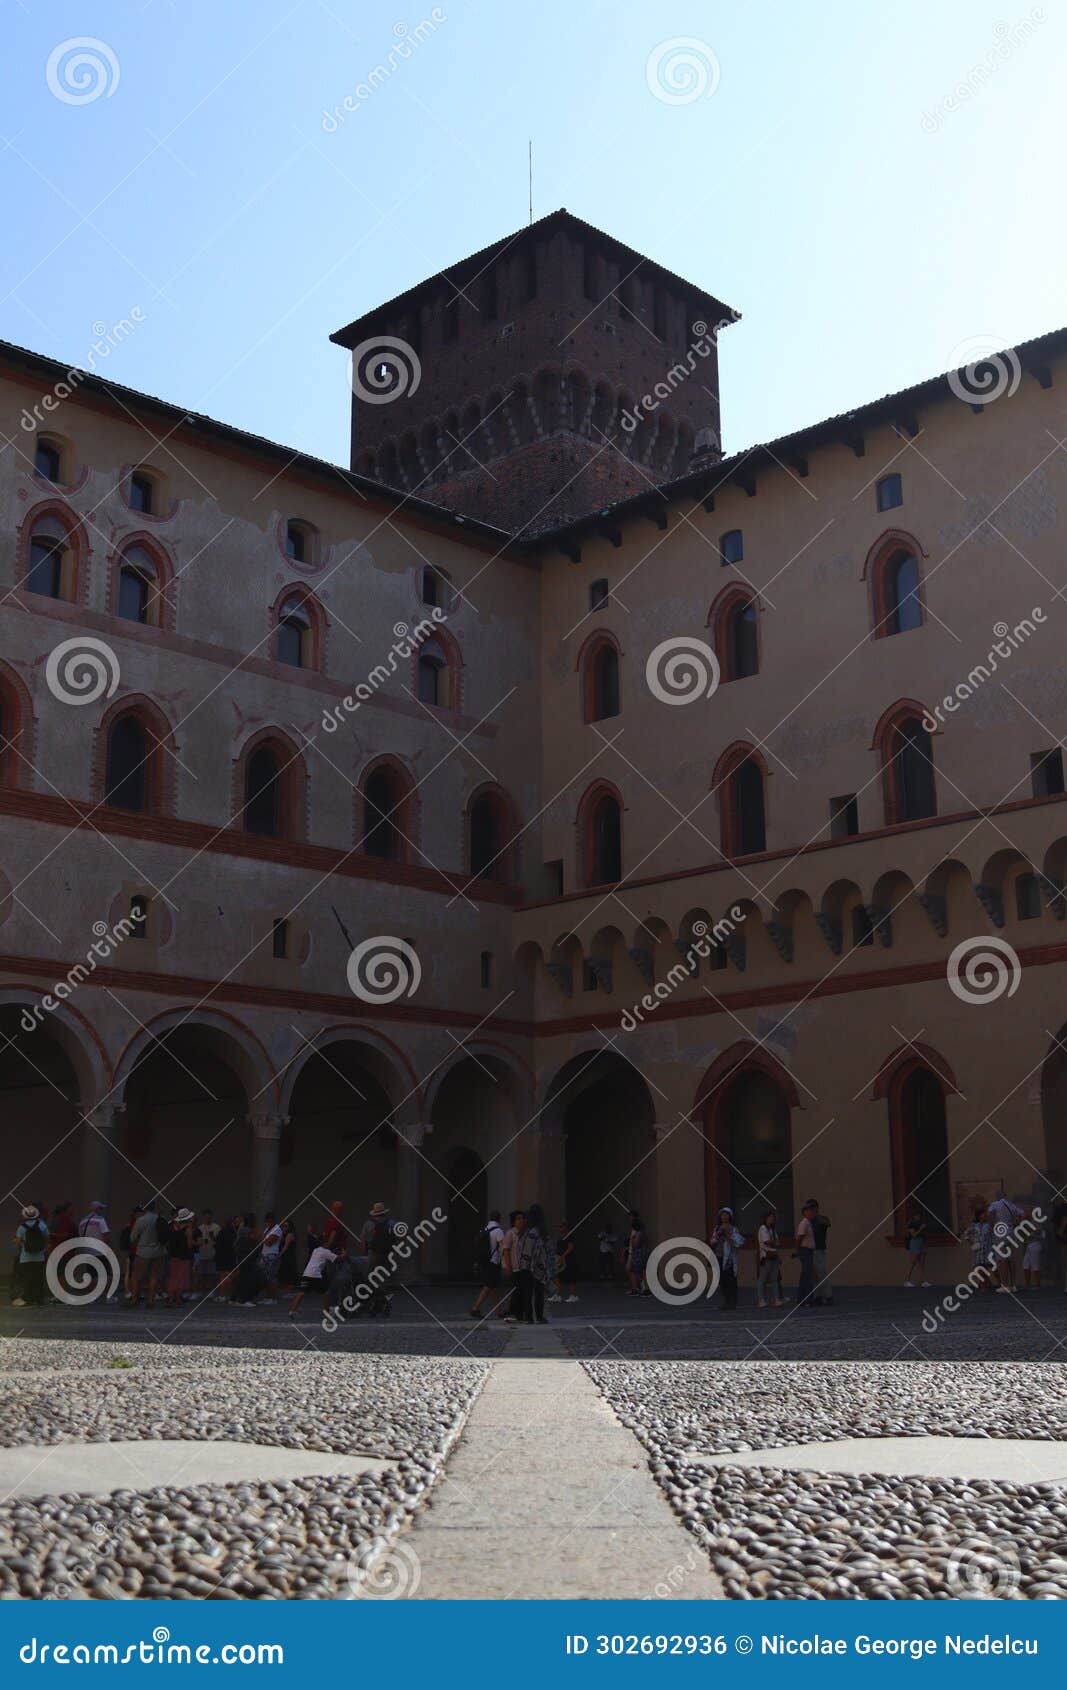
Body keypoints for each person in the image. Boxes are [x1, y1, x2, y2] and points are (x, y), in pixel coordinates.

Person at [515, 1203, 551, 1324]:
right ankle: (540, 1317)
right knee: (539, 1291)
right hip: (539, 1266)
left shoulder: (526, 1230)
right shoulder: (543, 1231)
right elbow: (548, 1249)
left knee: (527, 1292)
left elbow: (521, 1248)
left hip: (525, 1265)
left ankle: (529, 1317)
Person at [289, 1233, 337, 1318]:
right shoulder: (326, 1251)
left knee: (301, 1293)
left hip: (306, 1273)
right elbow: (337, 1259)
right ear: (325, 1243)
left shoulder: (315, 1250)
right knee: (326, 1293)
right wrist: (344, 1255)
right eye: (328, 1242)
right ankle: (327, 1312)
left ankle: (292, 1311)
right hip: (316, 1275)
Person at [130, 1201, 167, 1308]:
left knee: (136, 1277)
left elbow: (132, 1238)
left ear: (144, 1208)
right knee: (154, 1277)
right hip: (159, 1252)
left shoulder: (141, 1220)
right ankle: (151, 1301)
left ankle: (134, 1300)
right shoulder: (161, 1219)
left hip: (143, 1252)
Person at [470, 1209, 505, 1320]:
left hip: (485, 1261)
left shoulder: (485, 1229)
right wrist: (505, 1264)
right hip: (494, 1262)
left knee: (493, 1287)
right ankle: (475, 1308)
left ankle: (499, 1311)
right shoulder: (499, 1231)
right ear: (499, 1218)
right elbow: (502, 1248)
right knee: (489, 1286)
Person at [987, 1192, 1024, 1292]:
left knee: (1002, 1259)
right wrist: (1016, 1224)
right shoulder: (1012, 1205)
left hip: (1000, 1232)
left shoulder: (995, 1204)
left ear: (997, 1197)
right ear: (1006, 1196)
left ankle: (1004, 1285)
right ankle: (1013, 1285)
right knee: (1011, 1259)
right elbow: (1022, 1214)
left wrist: (994, 1225)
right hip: (1011, 1232)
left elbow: (989, 1214)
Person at [12, 1205, 49, 1307]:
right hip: (39, 1257)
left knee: (28, 1279)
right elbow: (47, 1238)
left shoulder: (22, 1227)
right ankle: (39, 1299)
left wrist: (19, 1242)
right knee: (39, 1278)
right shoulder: (42, 1225)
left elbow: (18, 1243)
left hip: (26, 1258)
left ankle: (28, 1299)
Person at [711, 1206, 744, 1310]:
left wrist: (726, 1235)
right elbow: (713, 1240)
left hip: (729, 1258)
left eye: (726, 1215)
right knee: (722, 1280)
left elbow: (737, 1243)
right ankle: (726, 1301)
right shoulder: (717, 1228)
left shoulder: (734, 1229)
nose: (724, 1217)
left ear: (730, 1217)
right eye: (722, 1215)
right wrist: (714, 1239)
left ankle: (732, 1302)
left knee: (731, 1280)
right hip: (719, 1256)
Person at [165, 1208, 196, 1306]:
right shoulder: (188, 1229)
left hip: (173, 1255)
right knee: (181, 1278)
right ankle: (178, 1299)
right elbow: (189, 1244)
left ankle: (170, 1299)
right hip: (183, 1256)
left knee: (173, 1278)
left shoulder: (172, 1226)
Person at [500, 1210, 526, 1321]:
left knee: (521, 1290)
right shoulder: (510, 1233)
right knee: (518, 1290)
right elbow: (506, 1250)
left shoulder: (525, 1233)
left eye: (522, 1218)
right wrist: (508, 1266)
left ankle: (517, 1311)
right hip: (514, 1267)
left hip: (523, 1267)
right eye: (518, 1218)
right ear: (513, 1221)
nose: (521, 1221)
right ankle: (513, 1311)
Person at [756, 1207, 783, 1308]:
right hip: (766, 1256)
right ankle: (761, 1299)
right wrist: (775, 1243)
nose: (772, 1219)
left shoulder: (772, 1229)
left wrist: (775, 1243)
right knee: (762, 1279)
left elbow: (777, 1243)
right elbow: (767, 1241)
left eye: (773, 1217)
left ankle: (776, 1299)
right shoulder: (763, 1228)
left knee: (774, 1279)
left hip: (774, 1255)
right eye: (770, 1217)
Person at [233, 1213, 260, 1306]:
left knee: (242, 1278)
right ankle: (245, 1299)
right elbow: (255, 1238)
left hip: (242, 1257)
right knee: (248, 1278)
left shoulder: (241, 1229)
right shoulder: (247, 1230)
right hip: (247, 1257)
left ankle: (238, 1299)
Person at [810, 1199, 833, 1305]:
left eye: (813, 1207)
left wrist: (816, 1216)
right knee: (814, 1274)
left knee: (822, 1273)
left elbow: (828, 1223)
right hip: (811, 1250)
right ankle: (817, 1296)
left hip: (819, 1249)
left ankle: (828, 1296)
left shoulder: (821, 1219)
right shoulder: (808, 1220)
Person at [795, 1199, 818, 1306]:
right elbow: (799, 1238)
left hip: (808, 1250)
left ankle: (804, 1299)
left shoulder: (809, 1223)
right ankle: (806, 1299)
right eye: (810, 1211)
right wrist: (798, 1250)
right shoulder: (804, 1223)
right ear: (805, 1212)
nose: (813, 1213)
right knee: (806, 1276)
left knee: (806, 1275)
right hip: (805, 1250)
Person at [259, 1212, 283, 1305]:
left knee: (270, 1277)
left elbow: (269, 1242)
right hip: (264, 1254)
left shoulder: (277, 1229)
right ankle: (267, 1296)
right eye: (267, 1221)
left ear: (273, 1220)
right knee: (264, 1277)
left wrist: (263, 1238)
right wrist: (264, 1238)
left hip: (271, 1254)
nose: (267, 1223)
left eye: (269, 1221)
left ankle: (272, 1297)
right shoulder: (268, 1229)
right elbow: (264, 1239)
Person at [194, 1209, 220, 1296]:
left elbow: (219, 1242)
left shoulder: (216, 1227)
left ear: (211, 1218)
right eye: (205, 1218)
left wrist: (212, 1237)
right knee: (202, 1274)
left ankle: (213, 1290)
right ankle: (201, 1291)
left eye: (209, 1218)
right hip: (202, 1254)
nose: (207, 1219)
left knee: (213, 1275)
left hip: (212, 1253)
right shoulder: (200, 1228)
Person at [902, 1210, 929, 1288]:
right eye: (917, 1215)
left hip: (921, 1242)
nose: (918, 1217)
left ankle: (923, 1281)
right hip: (915, 1242)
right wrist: (920, 1228)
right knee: (913, 1263)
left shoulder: (920, 1223)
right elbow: (914, 1235)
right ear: (913, 1216)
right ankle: (907, 1281)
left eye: (919, 1215)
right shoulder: (911, 1224)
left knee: (921, 1263)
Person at [626, 1213, 650, 1297]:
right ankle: (645, 1289)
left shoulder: (638, 1233)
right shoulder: (644, 1232)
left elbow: (635, 1244)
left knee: (636, 1271)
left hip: (639, 1254)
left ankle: (643, 1289)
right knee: (643, 1271)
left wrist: (632, 1239)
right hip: (645, 1253)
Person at [214, 1213, 237, 1302]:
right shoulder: (232, 1232)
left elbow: (217, 1245)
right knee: (229, 1277)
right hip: (230, 1257)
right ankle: (229, 1295)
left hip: (222, 1257)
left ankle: (223, 1295)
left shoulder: (222, 1232)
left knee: (223, 1276)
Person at [277, 1219, 300, 1290]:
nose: (284, 1227)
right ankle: (287, 1287)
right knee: (285, 1272)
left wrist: (279, 1254)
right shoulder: (284, 1235)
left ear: (290, 1227)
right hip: (286, 1257)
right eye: (283, 1226)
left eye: (286, 1226)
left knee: (287, 1271)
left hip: (288, 1256)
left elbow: (285, 1247)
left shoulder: (290, 1234)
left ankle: (289, 1287)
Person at [1054, 1201, 1067, 1292]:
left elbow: (1064, 1221)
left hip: (1065, 1237)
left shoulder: (1063, 1207)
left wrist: (1060, 1232)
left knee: (1065, 1261)